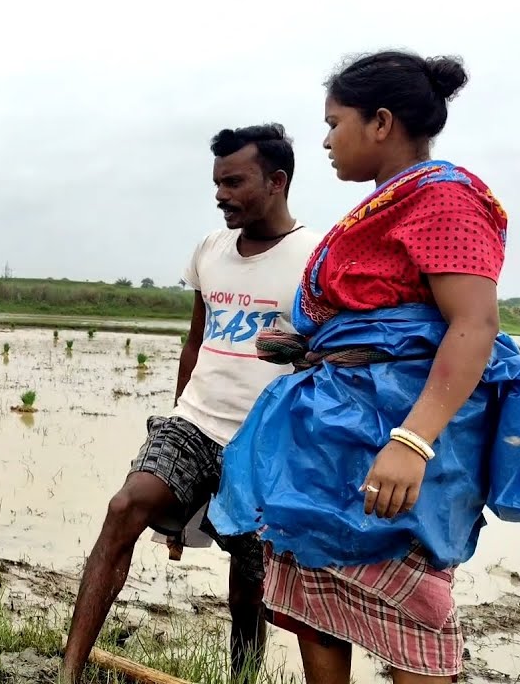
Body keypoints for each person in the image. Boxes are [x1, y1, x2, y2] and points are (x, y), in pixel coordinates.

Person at [209, 51, 520, 684]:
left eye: (335, 123)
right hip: (334, 440)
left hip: (392, 435)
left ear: (380, 123)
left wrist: (412, 443)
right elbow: (377, 318)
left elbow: (472, 325)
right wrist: (311, 346)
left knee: (416, 609)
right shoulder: (386, 203)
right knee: (320, 597)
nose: (326, 141)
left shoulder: (444, 199)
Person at [60, 125, 323, 683]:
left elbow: (328, 354)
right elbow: (195, 339)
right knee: (124, 507)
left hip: (266, 438)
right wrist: (179, 415)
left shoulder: (314, 257)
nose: (221, 194)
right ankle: (70, 670)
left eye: (234, 181)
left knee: (250, 574)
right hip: (195, 421)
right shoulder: (210, 249)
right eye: (217, 182)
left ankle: (242, 676)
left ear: (276, 182)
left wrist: (299, 354)